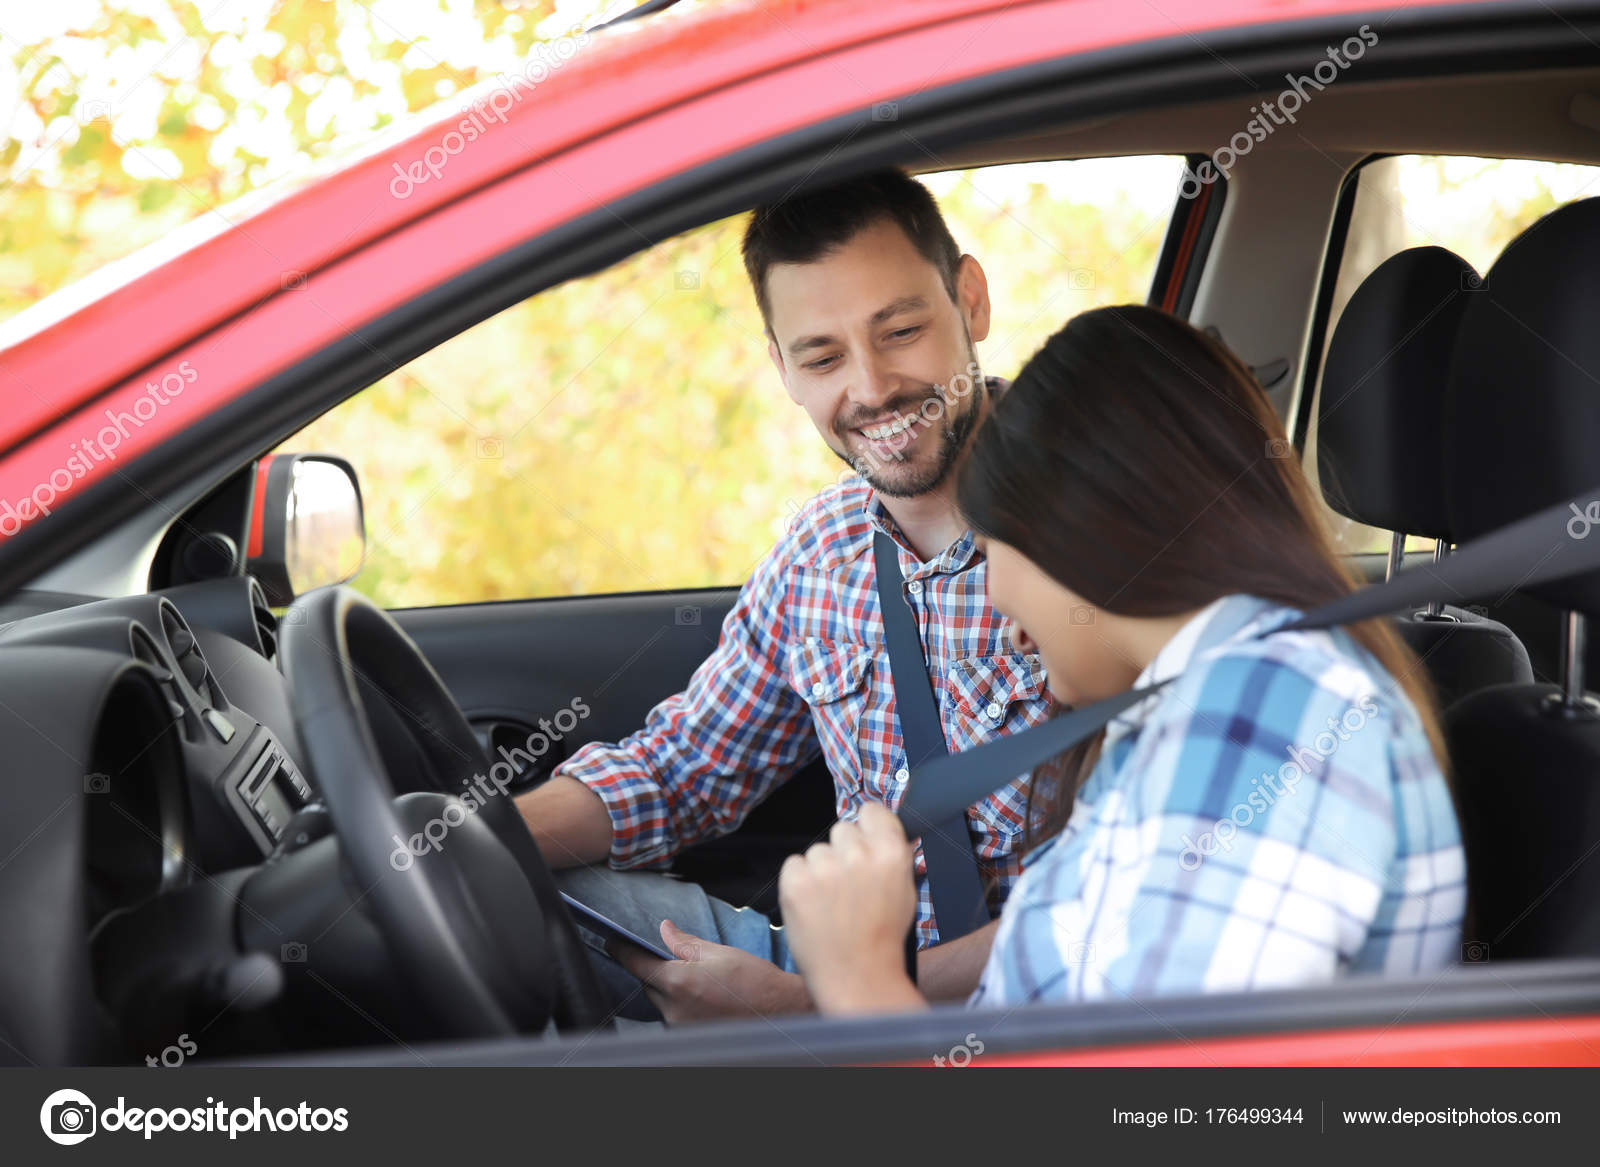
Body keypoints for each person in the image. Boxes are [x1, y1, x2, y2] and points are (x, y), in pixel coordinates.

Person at [776, 304, 1466, 1015]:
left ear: (1076, 524)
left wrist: (859, 980)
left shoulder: (1265, 719)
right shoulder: (1189, 713)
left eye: (987, 547)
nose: (1008, 623)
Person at [514, 170, 1054, 1023]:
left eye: (901, 331)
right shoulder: (820, 552)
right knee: (500, 905)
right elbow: (682, 769)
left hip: (1029, 1011)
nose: (871, 388)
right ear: (784, 370)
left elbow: (1102, 913)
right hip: (830, 967)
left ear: (971, 301)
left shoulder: (1084, 529)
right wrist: (471, 840)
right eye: (823, 357)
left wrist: (807, 1008)